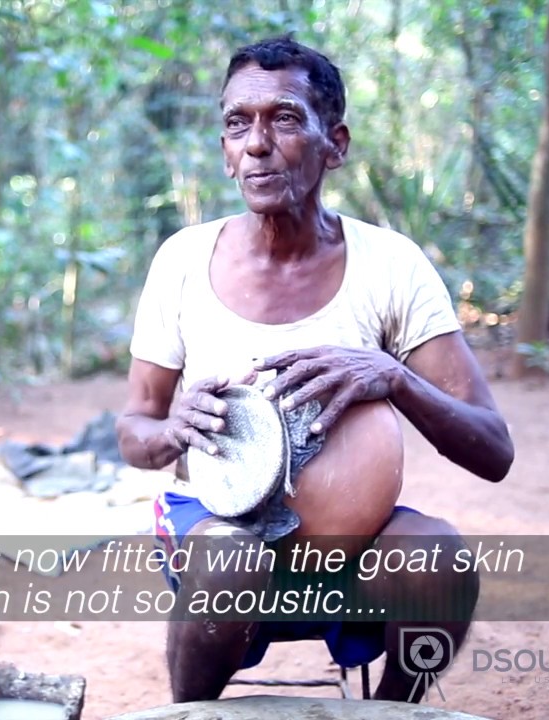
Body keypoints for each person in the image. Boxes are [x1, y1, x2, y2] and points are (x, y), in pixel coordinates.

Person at [115, 36, 515, 703]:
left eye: (286, 118)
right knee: (230, 562)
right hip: (219, 529)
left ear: (337, 142)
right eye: (238, 124)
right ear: (223, 151)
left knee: (438, 560)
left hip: (355, 541)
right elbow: (134, 428)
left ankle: (392, 710)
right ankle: (191, 716)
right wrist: (172, 430)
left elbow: (493, 449)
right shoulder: (183, 261)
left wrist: (393, 376)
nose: (257, 143)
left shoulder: (390, 265)